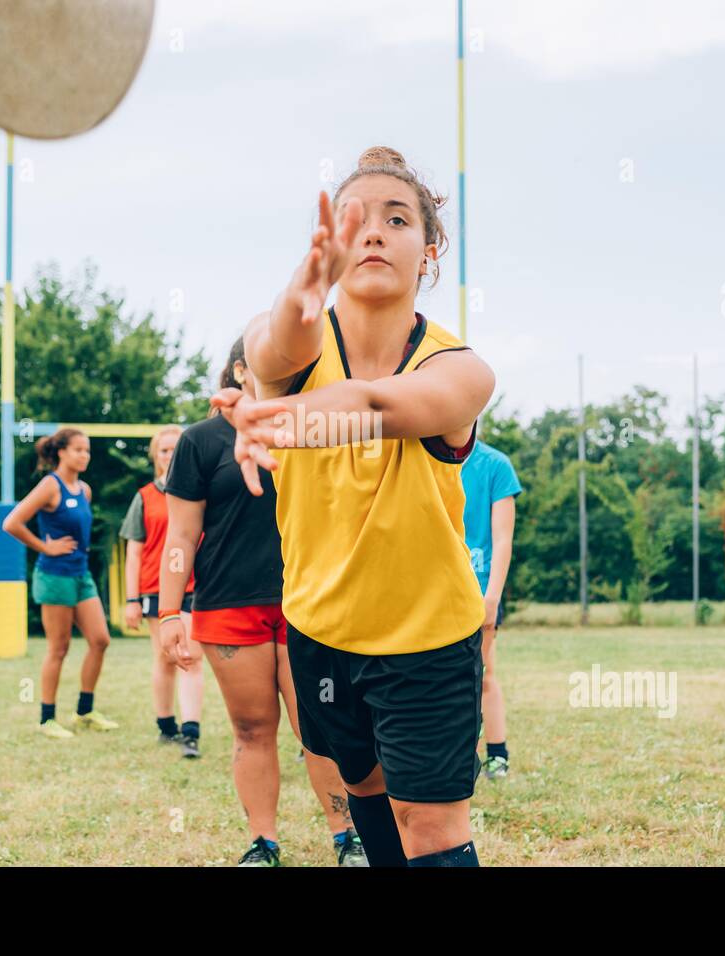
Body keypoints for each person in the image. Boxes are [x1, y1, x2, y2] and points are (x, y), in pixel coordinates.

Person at [213, 147, 495, 867]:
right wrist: (305, 291)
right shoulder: (281, 340)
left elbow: (371, 407)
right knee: (367, 799)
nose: (372, 233)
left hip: (427, 637)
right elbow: (280, 347)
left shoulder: (458, 370)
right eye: (354, 220)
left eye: (396, 220)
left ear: (427, 252)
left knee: (430, 829)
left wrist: (278, 421)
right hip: (322, 632)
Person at [158, 337, 368, 867]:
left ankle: (348, 837)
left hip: (311, 601)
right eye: (268, 365)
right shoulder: (201, 442)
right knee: (252, 729)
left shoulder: (315, 428)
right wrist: (167, 612)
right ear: (239, 370)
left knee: (320, 727)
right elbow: (180, 538)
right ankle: (263, 842)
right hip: (229, 604)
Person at [3, 428, 118, 738]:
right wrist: (45, 546)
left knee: (100, 640)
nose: (85, 455)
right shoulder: (49, 486)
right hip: (54, 575)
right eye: (78, 449)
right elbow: (11, 522)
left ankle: (84, 712)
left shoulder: (85, 490)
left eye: (88, 450)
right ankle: (47, 718)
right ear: (62, 452)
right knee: (59, 647)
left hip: (81, 575)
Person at [120, 426, 204, 758]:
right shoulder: (144, 497)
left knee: (191, 656)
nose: (170, 455)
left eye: (175, 449)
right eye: (164, 450)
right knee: (166, 657)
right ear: (156, 456)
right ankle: (166, 725)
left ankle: (191, 732)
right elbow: (134, 553)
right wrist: (131, 600)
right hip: (155, 587)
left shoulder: (199, 491)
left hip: (196, 585)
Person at [460, 438, 522, 779]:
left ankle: (497, 754)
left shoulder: (495, 465)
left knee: (481, 674)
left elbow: (502, 539)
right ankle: (458, 758)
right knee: (444, 683)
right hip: (435, 590)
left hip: (479, 588)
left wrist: (492, 598)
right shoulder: (421, 456)